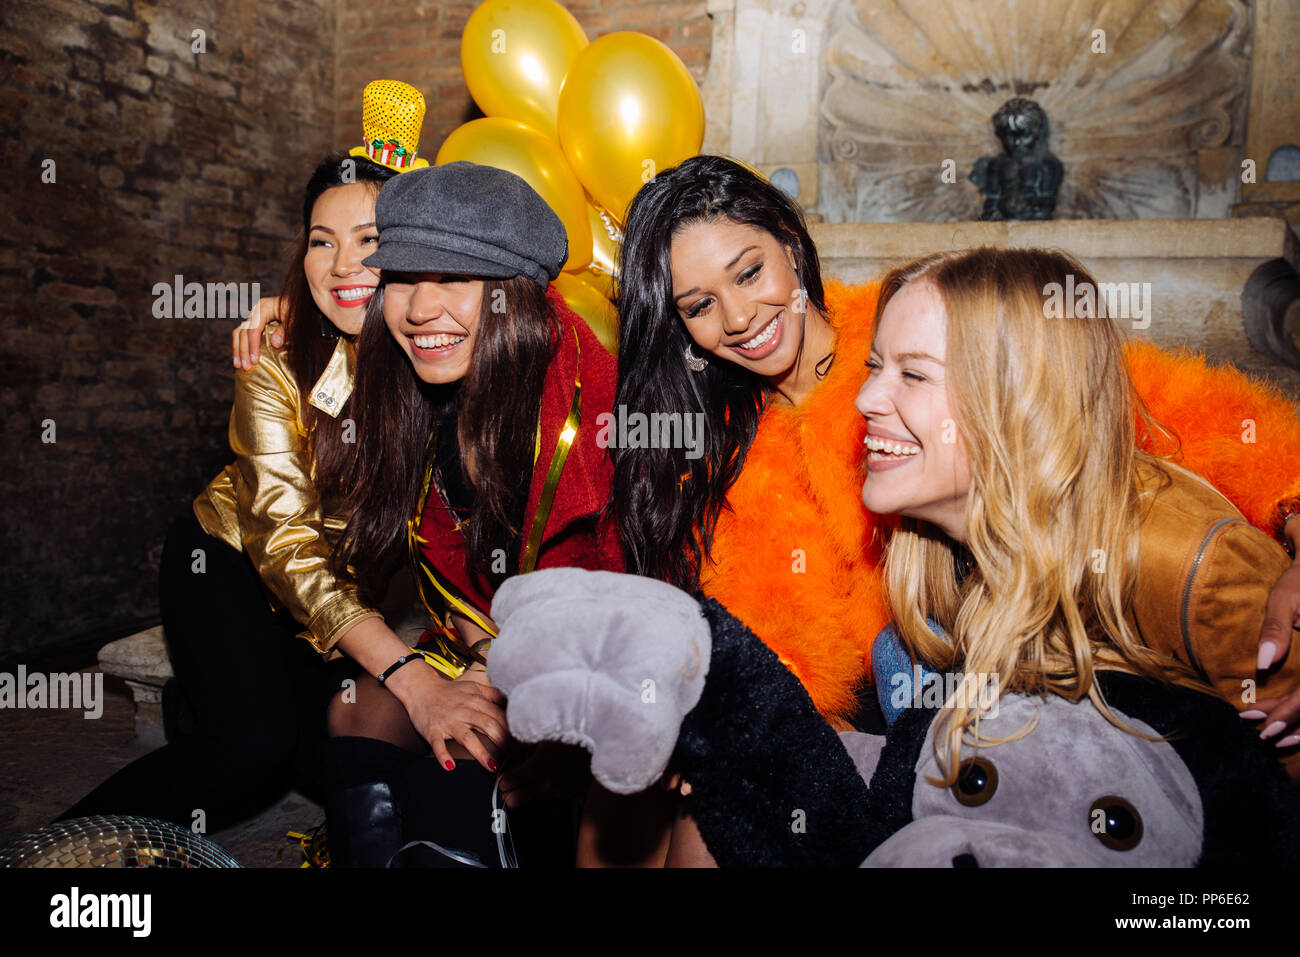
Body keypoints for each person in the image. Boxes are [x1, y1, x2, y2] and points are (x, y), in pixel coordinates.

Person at [613, 153, 1300, 738]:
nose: (737, 317)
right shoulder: (733, 456)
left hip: (1050, 669)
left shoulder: (914, 326)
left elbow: (1168, 404)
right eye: (699, 305)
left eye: (749, 272)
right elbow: (780, 634)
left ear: (790, 247)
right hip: (905, 716)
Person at [62, 150, 405, 828]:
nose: (340, 265)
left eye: (369, 242)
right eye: (320, 242)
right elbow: (282, 543)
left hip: (319, 589)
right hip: (227, 558)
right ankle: (60, 856)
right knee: (252, 742)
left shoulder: (435, 353)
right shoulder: (274, 353)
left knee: (342, 763)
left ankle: (198, 703)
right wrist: (401, 667)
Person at [319, 161, 622, 867]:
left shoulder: (585, 406)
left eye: (452, 277)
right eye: (400, 278)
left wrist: (494, 680)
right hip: (481, 637)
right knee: (351, 709)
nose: (420, 308)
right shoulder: (420, 382)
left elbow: (614, 595)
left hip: (591, 663)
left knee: (455, 758)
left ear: (514, 294)